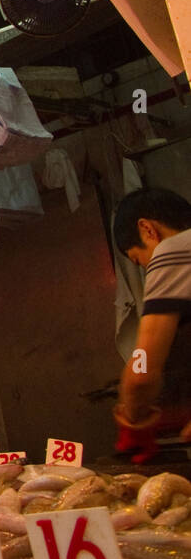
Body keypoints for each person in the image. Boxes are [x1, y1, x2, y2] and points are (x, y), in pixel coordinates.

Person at [111, 187, 191, 460]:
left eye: (139, 260)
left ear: (147, 230)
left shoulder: (172, 251)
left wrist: (132, 423)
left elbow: (143, 371)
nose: (147, 269)